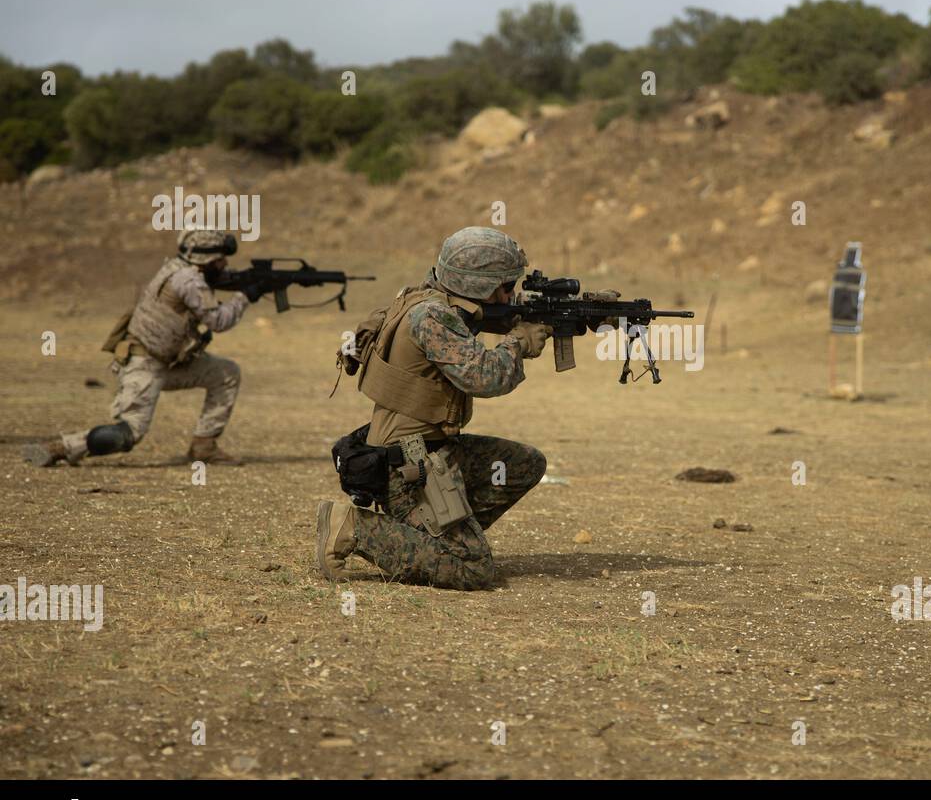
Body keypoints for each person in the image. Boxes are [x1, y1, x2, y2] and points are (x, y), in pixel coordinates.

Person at [317, 226, 552, 590]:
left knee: (523, 464)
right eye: (507, 286)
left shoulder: (425, 300)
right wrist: (518, 344)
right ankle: (354, 528)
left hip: (431, 448)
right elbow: (484, 377)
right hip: (410, 464)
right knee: (472, 570)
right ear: (479, 286)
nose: (512, 294)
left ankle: (438, 533)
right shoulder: (432, 317)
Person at [23, 227, 262, 468]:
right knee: (127, 434)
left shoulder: (179, 267)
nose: (224, 263)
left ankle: (204, 446)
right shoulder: (188, 281)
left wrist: (254, 279)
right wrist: (246, 296)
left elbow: (220, 279)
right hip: (144, 364)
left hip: (171, 362)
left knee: (226, 373)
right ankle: (60, 447)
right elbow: (218, 321)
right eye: (220, 258)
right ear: (207, 259)